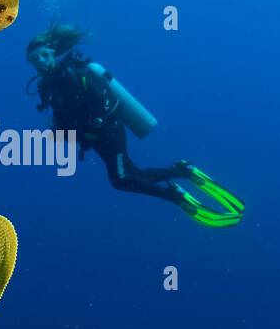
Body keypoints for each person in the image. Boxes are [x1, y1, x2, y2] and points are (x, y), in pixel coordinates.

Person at [26, 23, 244, 226]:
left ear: (53, 51)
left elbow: (104, 101)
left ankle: (176, 196)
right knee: (133, 174)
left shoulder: (74, 73)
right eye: (35, 59)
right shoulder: (48, 87)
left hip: (110, 132)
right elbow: (64, 119)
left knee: (121, 180)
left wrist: (95, 123)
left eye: (44, 55)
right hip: (96, 139)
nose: (41, 62)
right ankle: (183, 171)